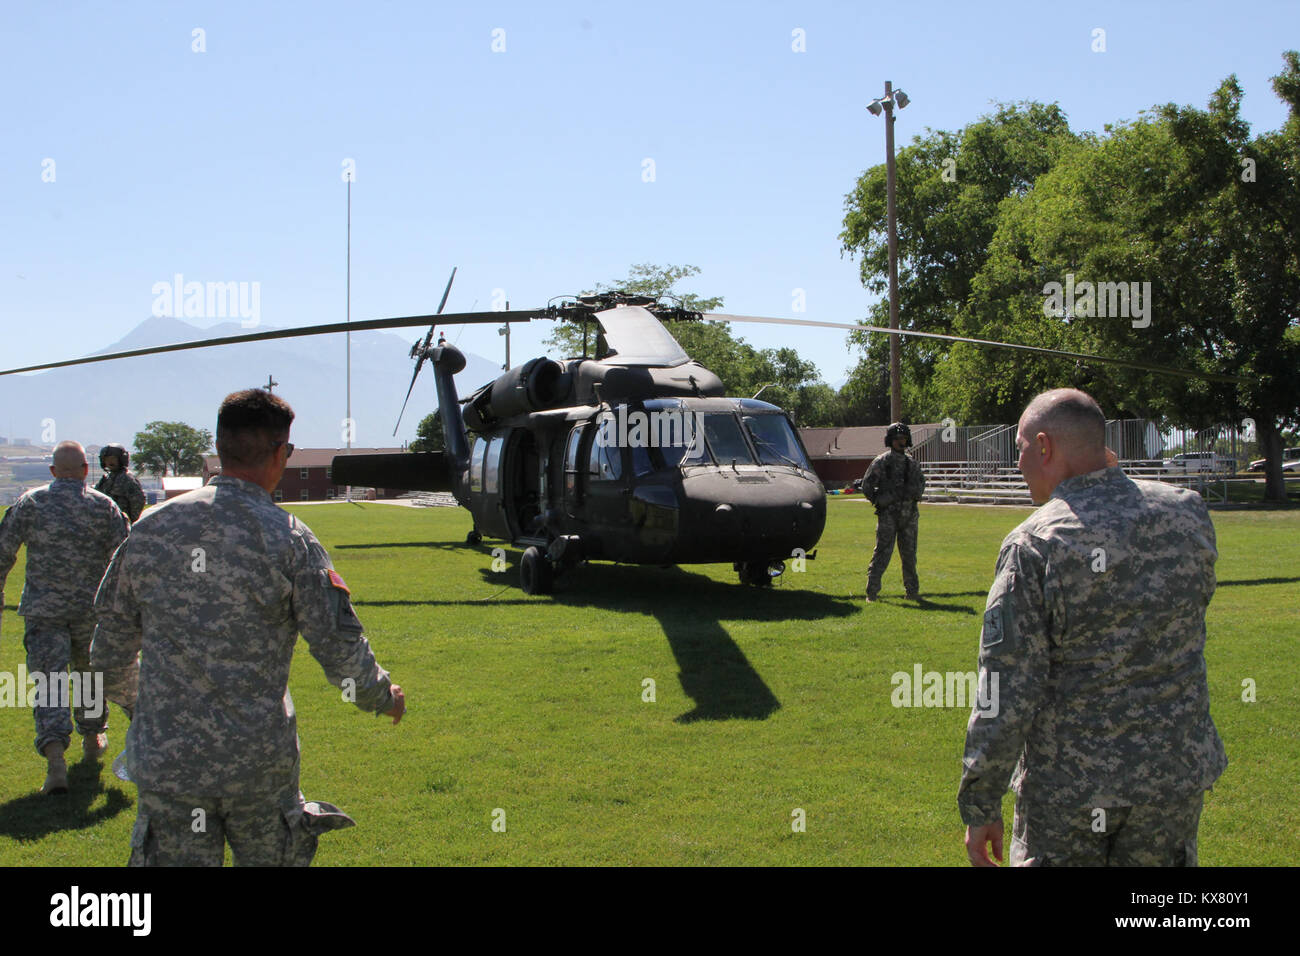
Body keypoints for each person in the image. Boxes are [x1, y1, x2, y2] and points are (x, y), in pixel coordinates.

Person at [90, 389, 407, 866]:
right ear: (282, 454)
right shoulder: (289, 538)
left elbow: (108, 655)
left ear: (219, 450)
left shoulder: (151, 531)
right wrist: (382, 696)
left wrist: (152, 709)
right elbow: (340, 651)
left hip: (170, 764)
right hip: (257, 766)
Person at [959, 388, 1227, 866]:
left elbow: (1006, 687)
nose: (1017, 464)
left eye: (1019, 449)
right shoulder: (1187, 514)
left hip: (1070, 790)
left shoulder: (1035, 542)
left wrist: (981, 801)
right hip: (1172, 777)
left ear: (1044, 447)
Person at [0, 441, 129, 794]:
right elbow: (126, 559)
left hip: (44, 610)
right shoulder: (104, 506)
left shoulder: (32, 502)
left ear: (53, 472)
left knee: (50, 684)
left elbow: (3, 550)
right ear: (87, 470)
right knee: (89, 676)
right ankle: (91, 739)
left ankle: (56, 762)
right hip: (90, 609)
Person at [862, 422, 926, 601]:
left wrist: (914, 493)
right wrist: (879, 500)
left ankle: (912, 592)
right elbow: (867, 485)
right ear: (890, 441)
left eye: (904, 438)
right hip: (888, 516)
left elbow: (921, 483)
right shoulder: (881, 462)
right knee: (882, 553)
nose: (901, 442)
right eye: (898, 439)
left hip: (909, 517)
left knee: (909, 556)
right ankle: (872, 592)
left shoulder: (912, 463)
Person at [95, 443, 146, 524]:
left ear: (121, 459)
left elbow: (138, 502)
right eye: (106, 459)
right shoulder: (105, 479)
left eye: (113, 458)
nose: (109, 462)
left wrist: (132, 522)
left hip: (122, 524)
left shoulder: (127, 478)